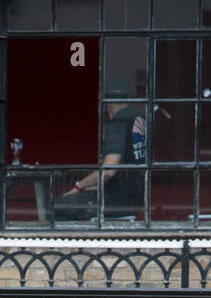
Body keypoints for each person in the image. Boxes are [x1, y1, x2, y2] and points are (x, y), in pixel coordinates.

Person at [59, 85, 147, 221]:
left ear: (104, 100)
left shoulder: (119, 121)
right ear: (128, 97)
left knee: (56, 207)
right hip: (134, 201)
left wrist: (77, 187)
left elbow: (108, 171)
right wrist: (85, 187)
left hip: (115, 202)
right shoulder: (139, 119)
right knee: (73, 201)